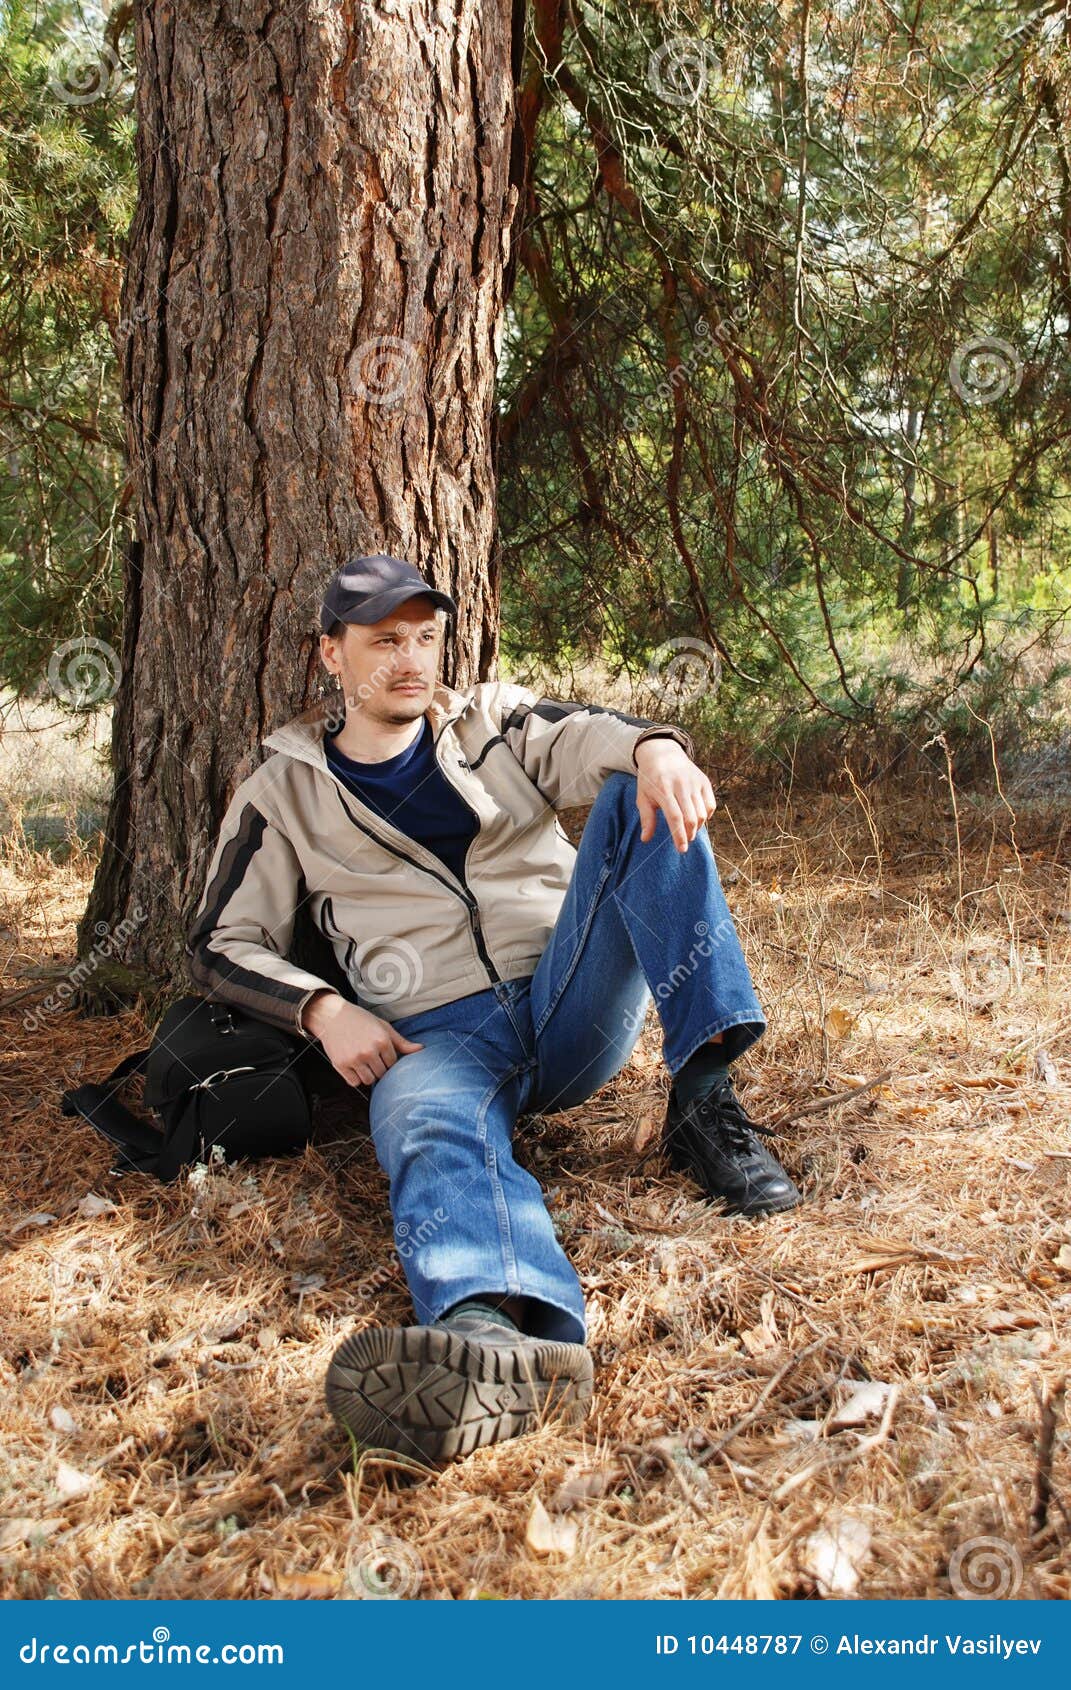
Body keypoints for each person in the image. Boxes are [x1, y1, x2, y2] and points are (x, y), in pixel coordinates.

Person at [186, 554, 800, 1465]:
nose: (409, 660)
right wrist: (321, 1010)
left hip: (567, 991)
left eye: (424, 638)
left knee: (636, 789)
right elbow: (218, 942)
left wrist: (657, 745)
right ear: (331, 655)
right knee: (424, 1119)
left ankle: (703, 1100)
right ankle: (491, 1338)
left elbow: (590, 735)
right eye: (382, 641)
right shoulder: (282, 789)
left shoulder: (490, 722)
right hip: (435, 1034)